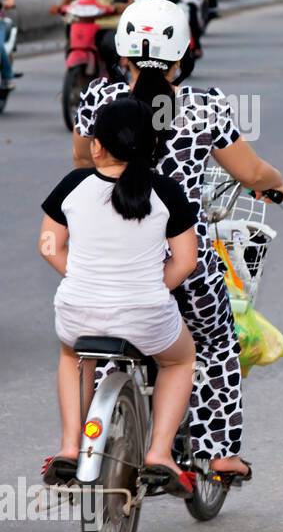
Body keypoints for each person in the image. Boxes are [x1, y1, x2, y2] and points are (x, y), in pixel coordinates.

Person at [71, 0, 283, 482]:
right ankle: (218, 452)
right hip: (182, 257)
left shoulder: (96, 99)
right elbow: (250, 171)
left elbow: (83, 164)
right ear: (185, 52)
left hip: (108, 254)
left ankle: (86, 435)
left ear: (120, 52)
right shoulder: (205, 105)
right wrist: (276, 183)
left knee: (95, 340)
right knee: (214, 340)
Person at [39, 97, 199, 493]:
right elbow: (186, 261)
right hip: (145, 312)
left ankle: (70, 446)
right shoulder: (166, 191)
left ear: (96, 145)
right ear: (152, 146)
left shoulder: (72, 186)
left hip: (79, 309)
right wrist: (149, 287)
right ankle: (160, 453)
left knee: (72, 354)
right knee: (180, 360)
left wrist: (80, 274)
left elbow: (48, 246)